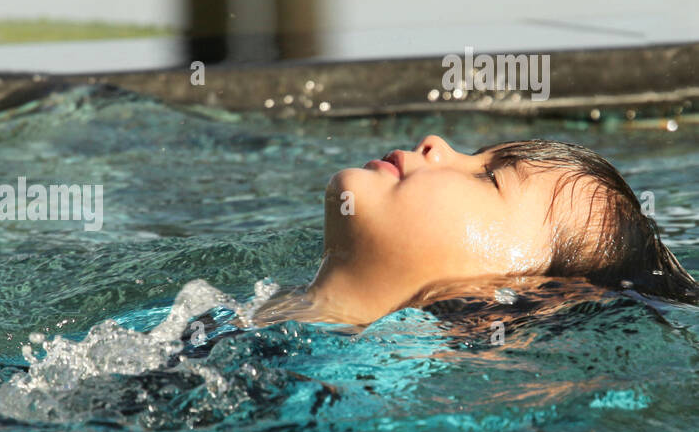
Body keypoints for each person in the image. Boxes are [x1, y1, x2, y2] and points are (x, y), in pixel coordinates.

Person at [246, 134, 698, 328]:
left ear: (494, 311)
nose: (436, 144)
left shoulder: (368, 388)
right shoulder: (242, 315)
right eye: (477, 156)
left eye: (489, 177)